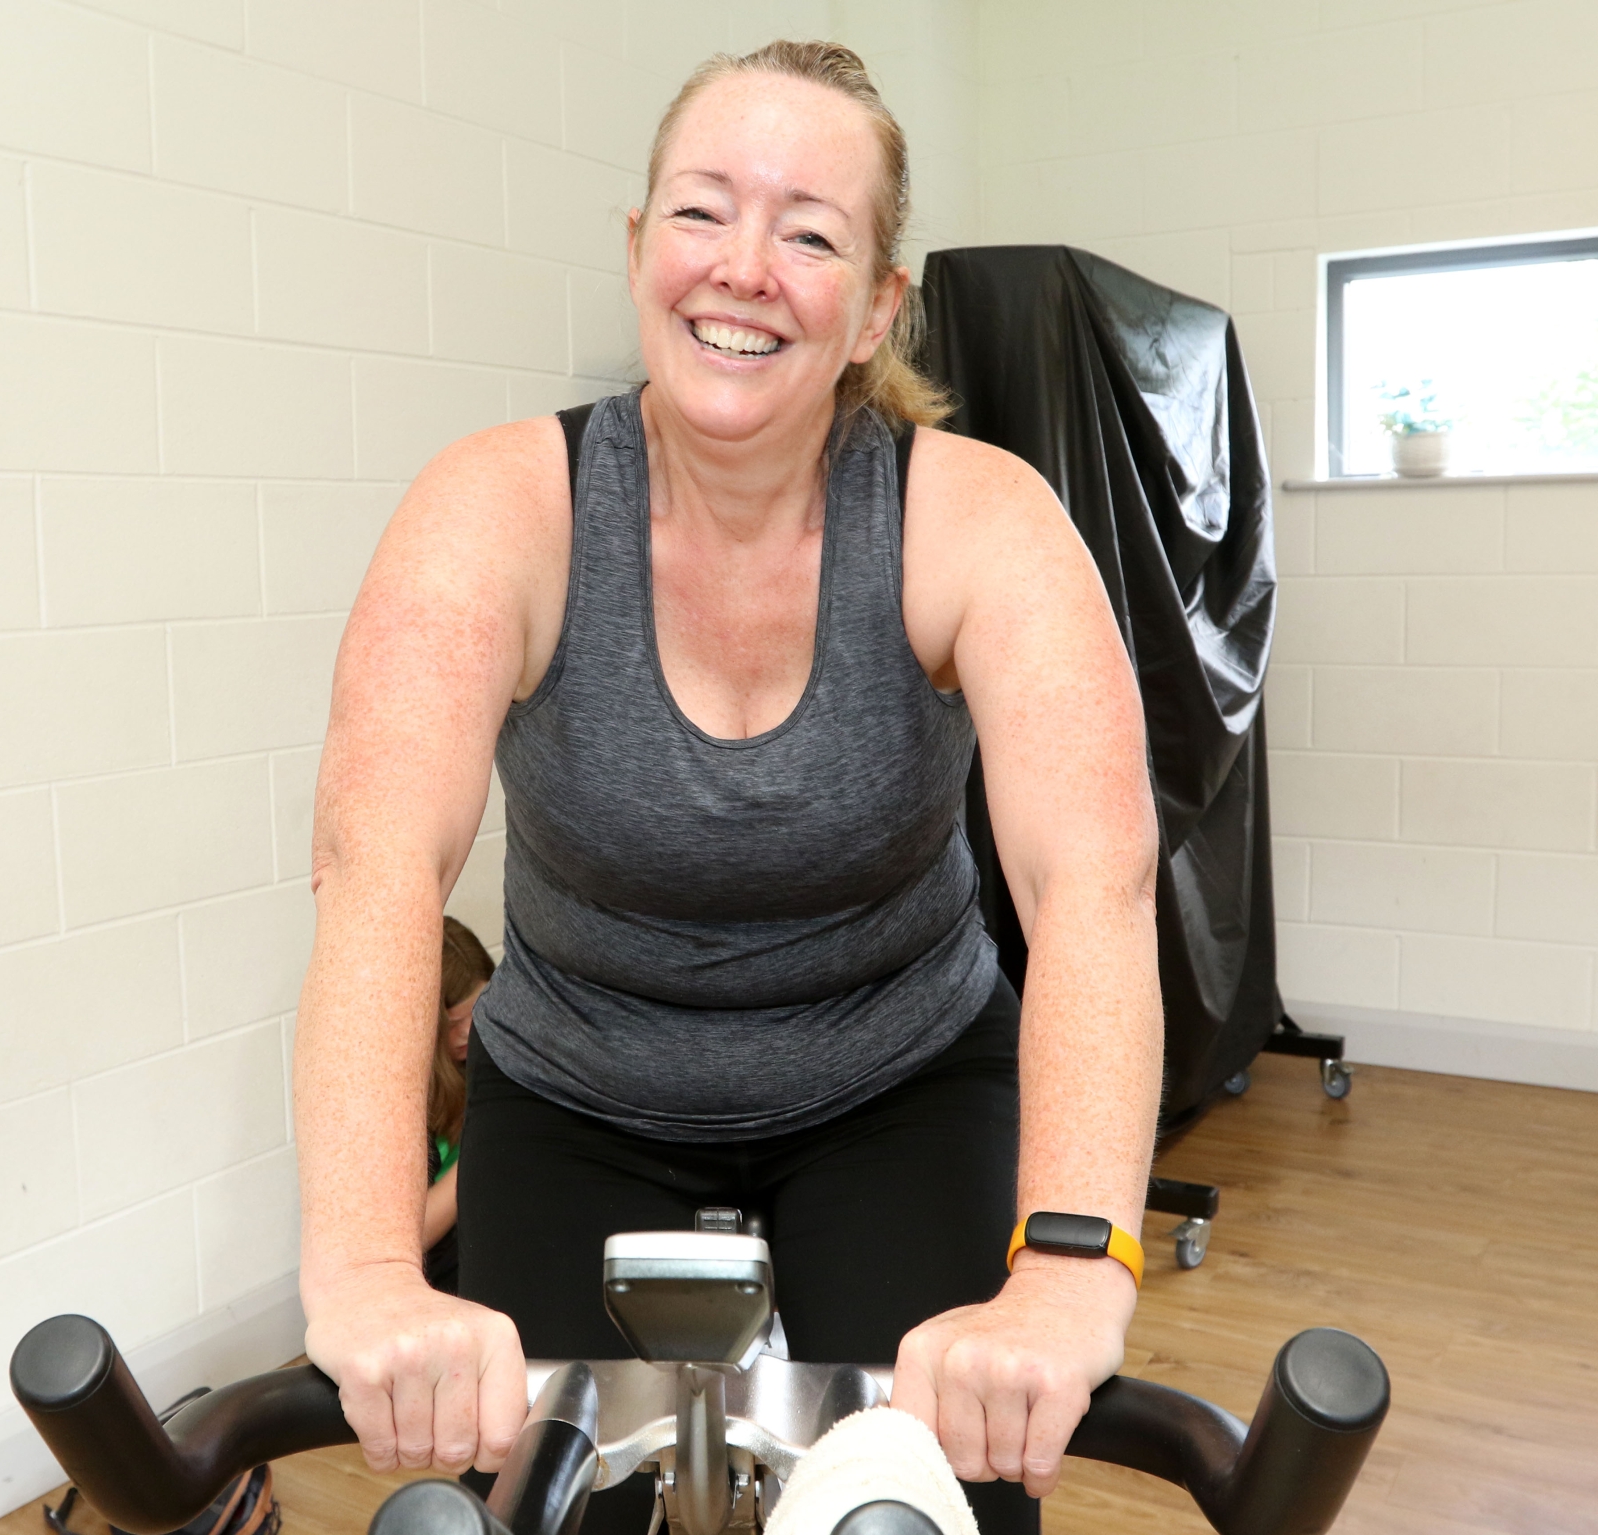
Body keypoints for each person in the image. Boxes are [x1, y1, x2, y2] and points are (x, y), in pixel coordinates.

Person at [293, 39, 1161, 1535]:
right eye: (702, 212)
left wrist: (1072, 1266)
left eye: (811, 232)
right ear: (639, 252)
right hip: (576, 1085)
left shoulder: (976, 521)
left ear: (879, 302)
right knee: (552, 1506)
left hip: (896, 1076)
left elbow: (1093, 884)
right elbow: (374, 869)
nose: (744, 267)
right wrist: (372, 1267)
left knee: (936, 1494)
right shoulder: (504, 508)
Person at [421, 917, 494, 1295]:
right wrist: (481, 1152)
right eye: (453, 1022)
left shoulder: (492, 1054)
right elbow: (409, 1236)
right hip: (436, 1273)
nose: (468, 1032)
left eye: (476, 1012)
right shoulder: (407, 1098)